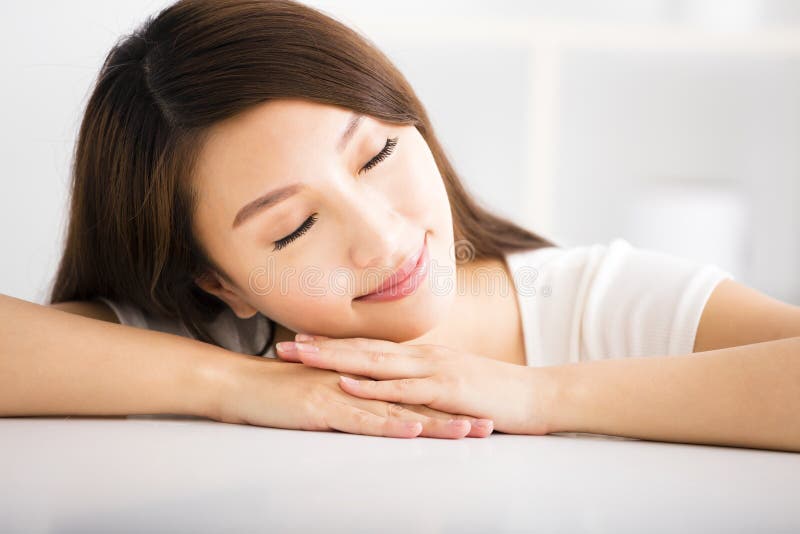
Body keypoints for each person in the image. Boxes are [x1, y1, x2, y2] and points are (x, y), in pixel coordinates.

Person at [2, 0, 798, 450]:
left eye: (378, 154)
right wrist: (241, 386)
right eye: (291, 229)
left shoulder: (601, 302)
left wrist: (538, 396)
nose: (381, 240)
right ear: (221, 281)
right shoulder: (214, 340)